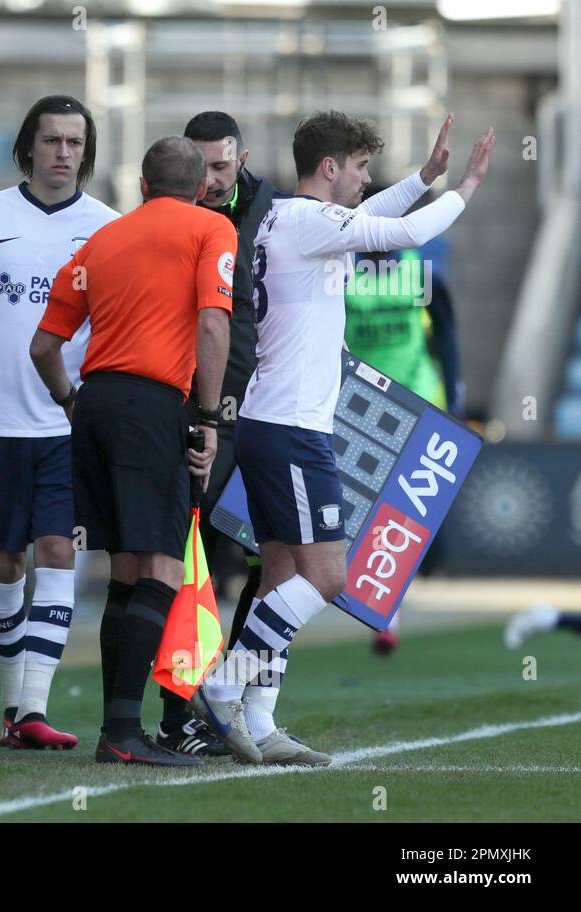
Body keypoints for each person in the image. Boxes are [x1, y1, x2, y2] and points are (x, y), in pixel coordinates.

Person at [191, 112, 494, 765]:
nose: (363, 180)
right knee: (329, 576)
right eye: (358, 167)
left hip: (273, 421)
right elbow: (405, 231)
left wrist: (421, 178)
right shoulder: (308, 221)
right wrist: (464, 188)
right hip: (294, 428)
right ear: (329, 167)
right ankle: (224, 684)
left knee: (278, 578)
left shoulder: (282, 217)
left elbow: (377, 214)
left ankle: (263, 721)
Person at [31, 136, 235, 766]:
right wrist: (206, 417)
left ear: (143, 186)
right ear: (200, 187)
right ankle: (122, 735)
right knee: (163, 570)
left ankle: (116, 728)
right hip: (152, 407)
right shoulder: (211, 229)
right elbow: (212, 323)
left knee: (124, 572)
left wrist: (71, 402)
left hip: (94, 403)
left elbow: (43, 347)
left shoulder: (103, 240)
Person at [0, 95, 119, 750]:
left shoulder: (107, 226)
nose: (64, 153)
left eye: (75, 142)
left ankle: (34, 705)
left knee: (59, 550)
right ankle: (15, 707)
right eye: (53, 140)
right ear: (28, 147)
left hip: (70, 423)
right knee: (5, 561)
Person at [152, 111, 275, 759]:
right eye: (197, 169)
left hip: (271, 406)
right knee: (188, 554)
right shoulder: (172, 219)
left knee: (273, 558)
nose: (208, 180)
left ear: (242, 159)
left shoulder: (278, 210)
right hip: (201, 409)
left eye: (220, 168)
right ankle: (181, 715)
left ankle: (244, 698)